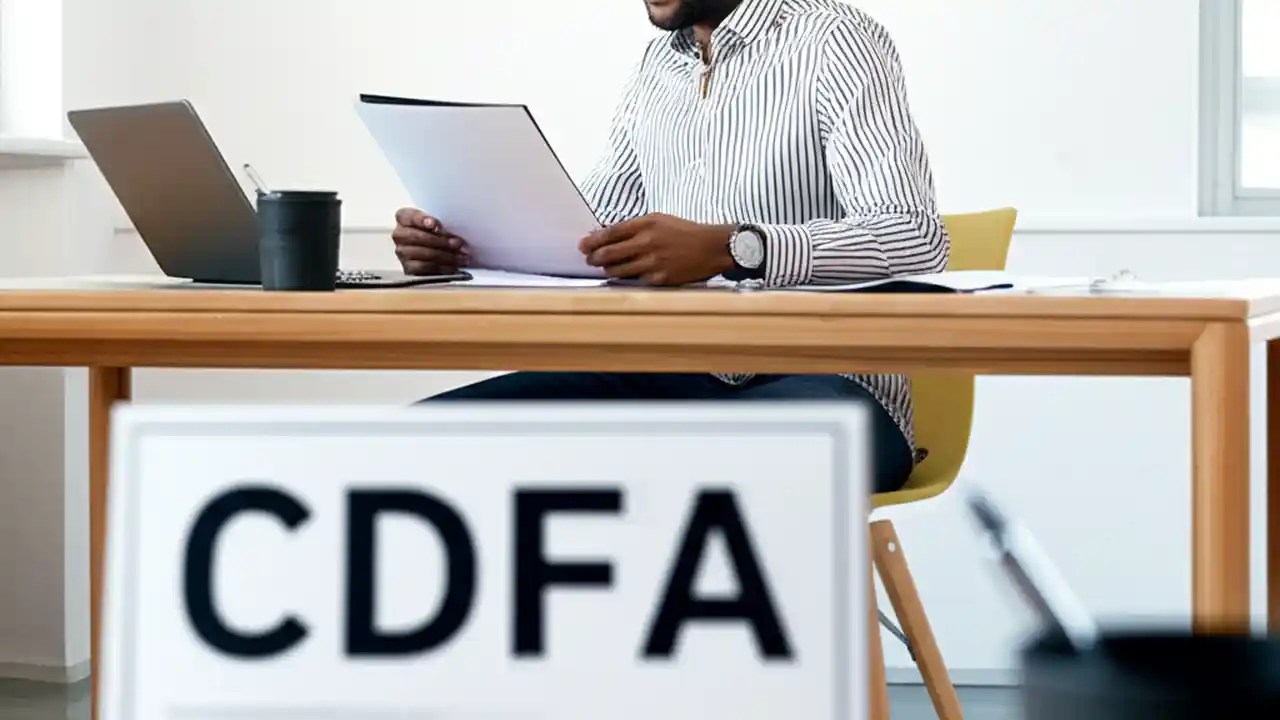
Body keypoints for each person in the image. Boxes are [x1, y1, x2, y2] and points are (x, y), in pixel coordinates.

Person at [391, 0, 949, 493]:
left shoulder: (835, 40)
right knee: (408, 446)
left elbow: (917, 237)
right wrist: (463, 248)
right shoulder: (658, 66)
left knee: (661, 479)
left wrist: (735, 248)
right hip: (668, 373)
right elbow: (590, 235)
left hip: (827, 386)